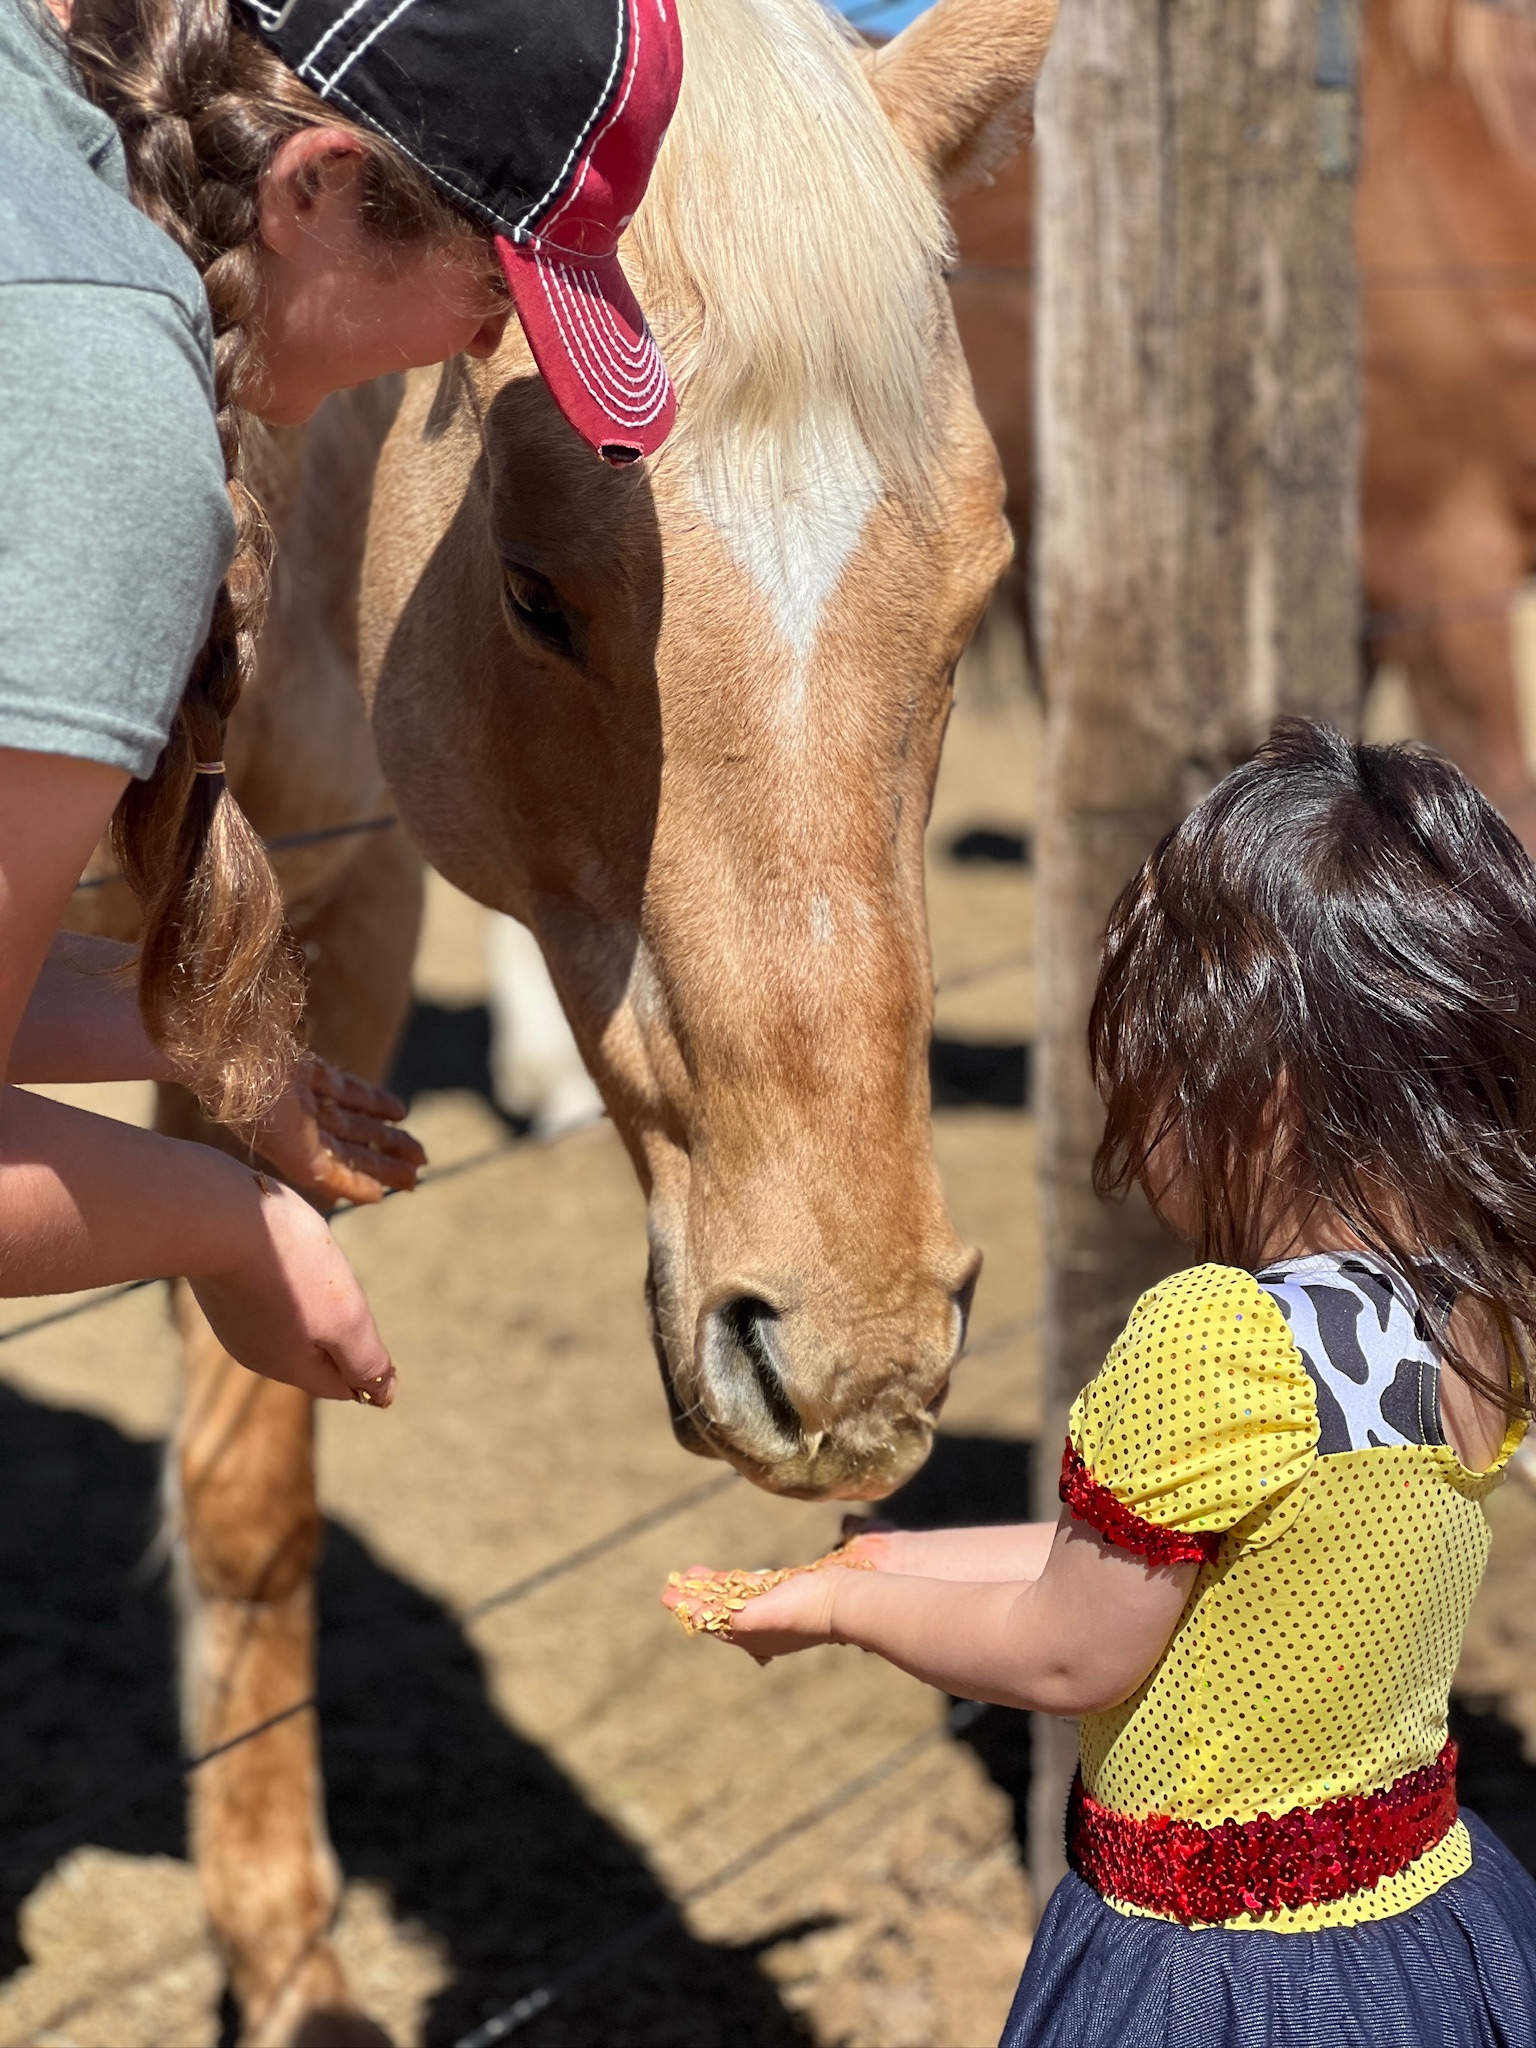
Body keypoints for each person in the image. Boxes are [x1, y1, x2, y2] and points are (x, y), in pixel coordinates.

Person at [665, 719, 1536, 2047]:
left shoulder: (1222, 1344)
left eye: (1157, 1086)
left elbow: (1072, 1644)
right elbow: (1177, 1564)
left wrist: (849, 1619)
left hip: (1217, 1984)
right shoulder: (1471, 1316)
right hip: (1417, 1939)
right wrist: (892, 1567)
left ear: (1259, 1078)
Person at [0, 0, 681, 1400]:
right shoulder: (99, 393)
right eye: (497, 282)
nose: (487, 340)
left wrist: (187, 1033)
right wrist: (230, 1225)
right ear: (312, 186)